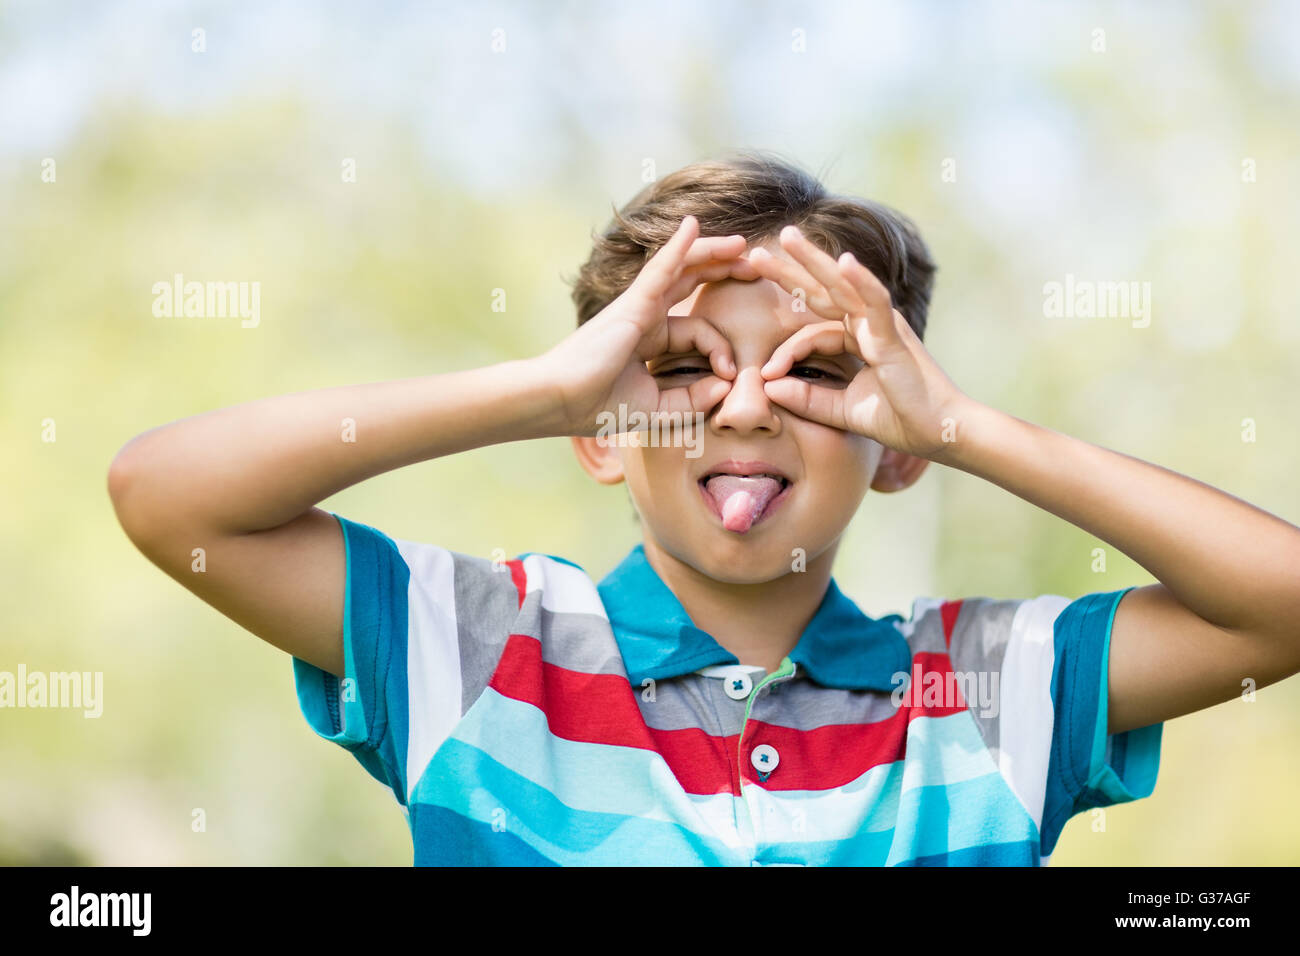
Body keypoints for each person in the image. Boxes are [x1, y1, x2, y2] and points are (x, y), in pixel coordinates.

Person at [107, 151, 1300, 865]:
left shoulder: (981, 691)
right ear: (601, 434)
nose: (740, 406)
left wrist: (966, 428)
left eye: (816, 370)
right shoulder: (480, 649)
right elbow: (165, 495)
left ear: (895, 449)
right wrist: (548, 387)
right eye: (678, 365)